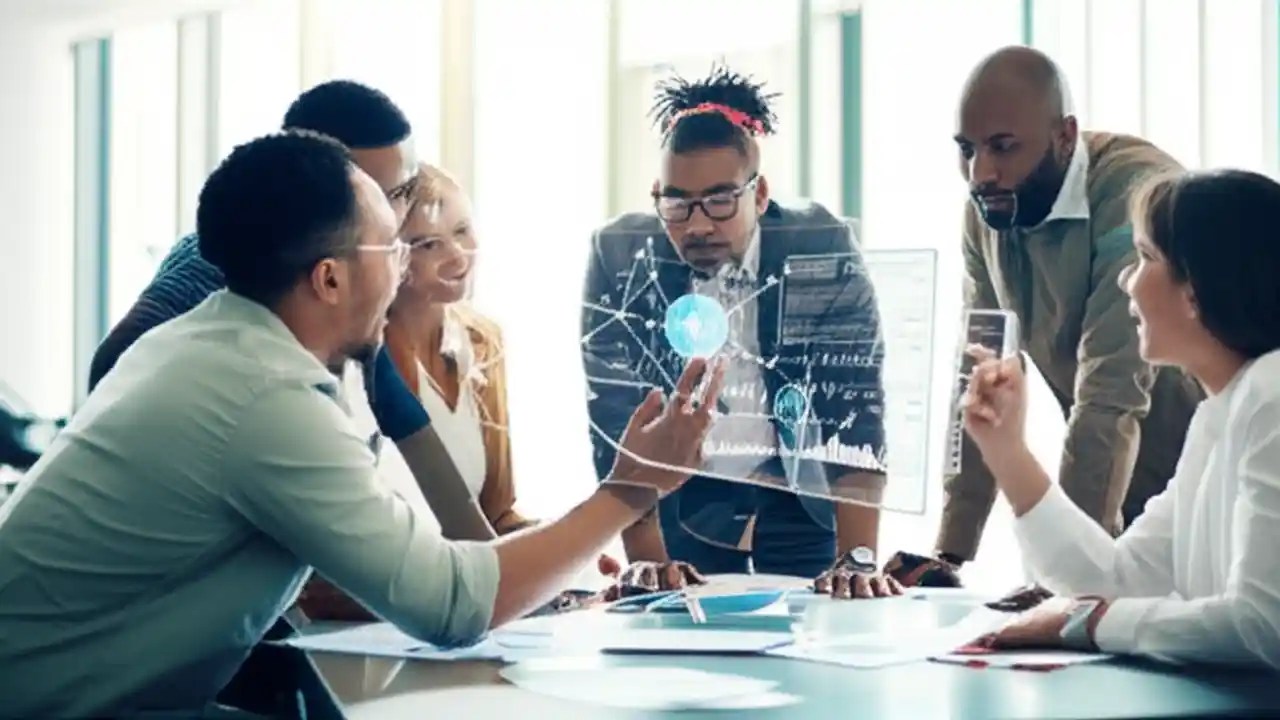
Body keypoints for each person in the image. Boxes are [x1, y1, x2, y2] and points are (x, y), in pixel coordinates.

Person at [0, 131, 724, 718]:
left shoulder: (212, 340)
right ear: (330, 279)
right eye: (395, 248)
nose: (409, 269)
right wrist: (632, 489)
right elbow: (448, 603)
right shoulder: (263, 396)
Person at [581, 64, 901, 598]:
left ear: (760, 193)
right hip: (682, 500)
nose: (698, 223)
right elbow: (614, 417)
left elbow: (856, 409)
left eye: (721, 200)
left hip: (799, 496)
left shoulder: (819, 244)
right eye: (677, 203)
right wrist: (647, 561)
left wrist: (858, 558)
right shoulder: (618, 255)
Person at [962, 168, 1280, 670]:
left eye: (1146, 257)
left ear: (1196, 290)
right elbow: (1116, 577)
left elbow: (1264, 626)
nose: (1124, 278)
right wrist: (1009, 454)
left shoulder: (1271, 394)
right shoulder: (1221, 412)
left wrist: (1088, 623)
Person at [936, 46, 1204, 571]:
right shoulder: (987, 213)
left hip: (1209, 482)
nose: (979, 173)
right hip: (1121, 500)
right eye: (966, 149)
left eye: (1002, 147)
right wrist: (950, 550)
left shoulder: (1135, 193)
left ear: (1065, 136)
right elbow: (979, 378)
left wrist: (1073, 578)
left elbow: (1110, 390)